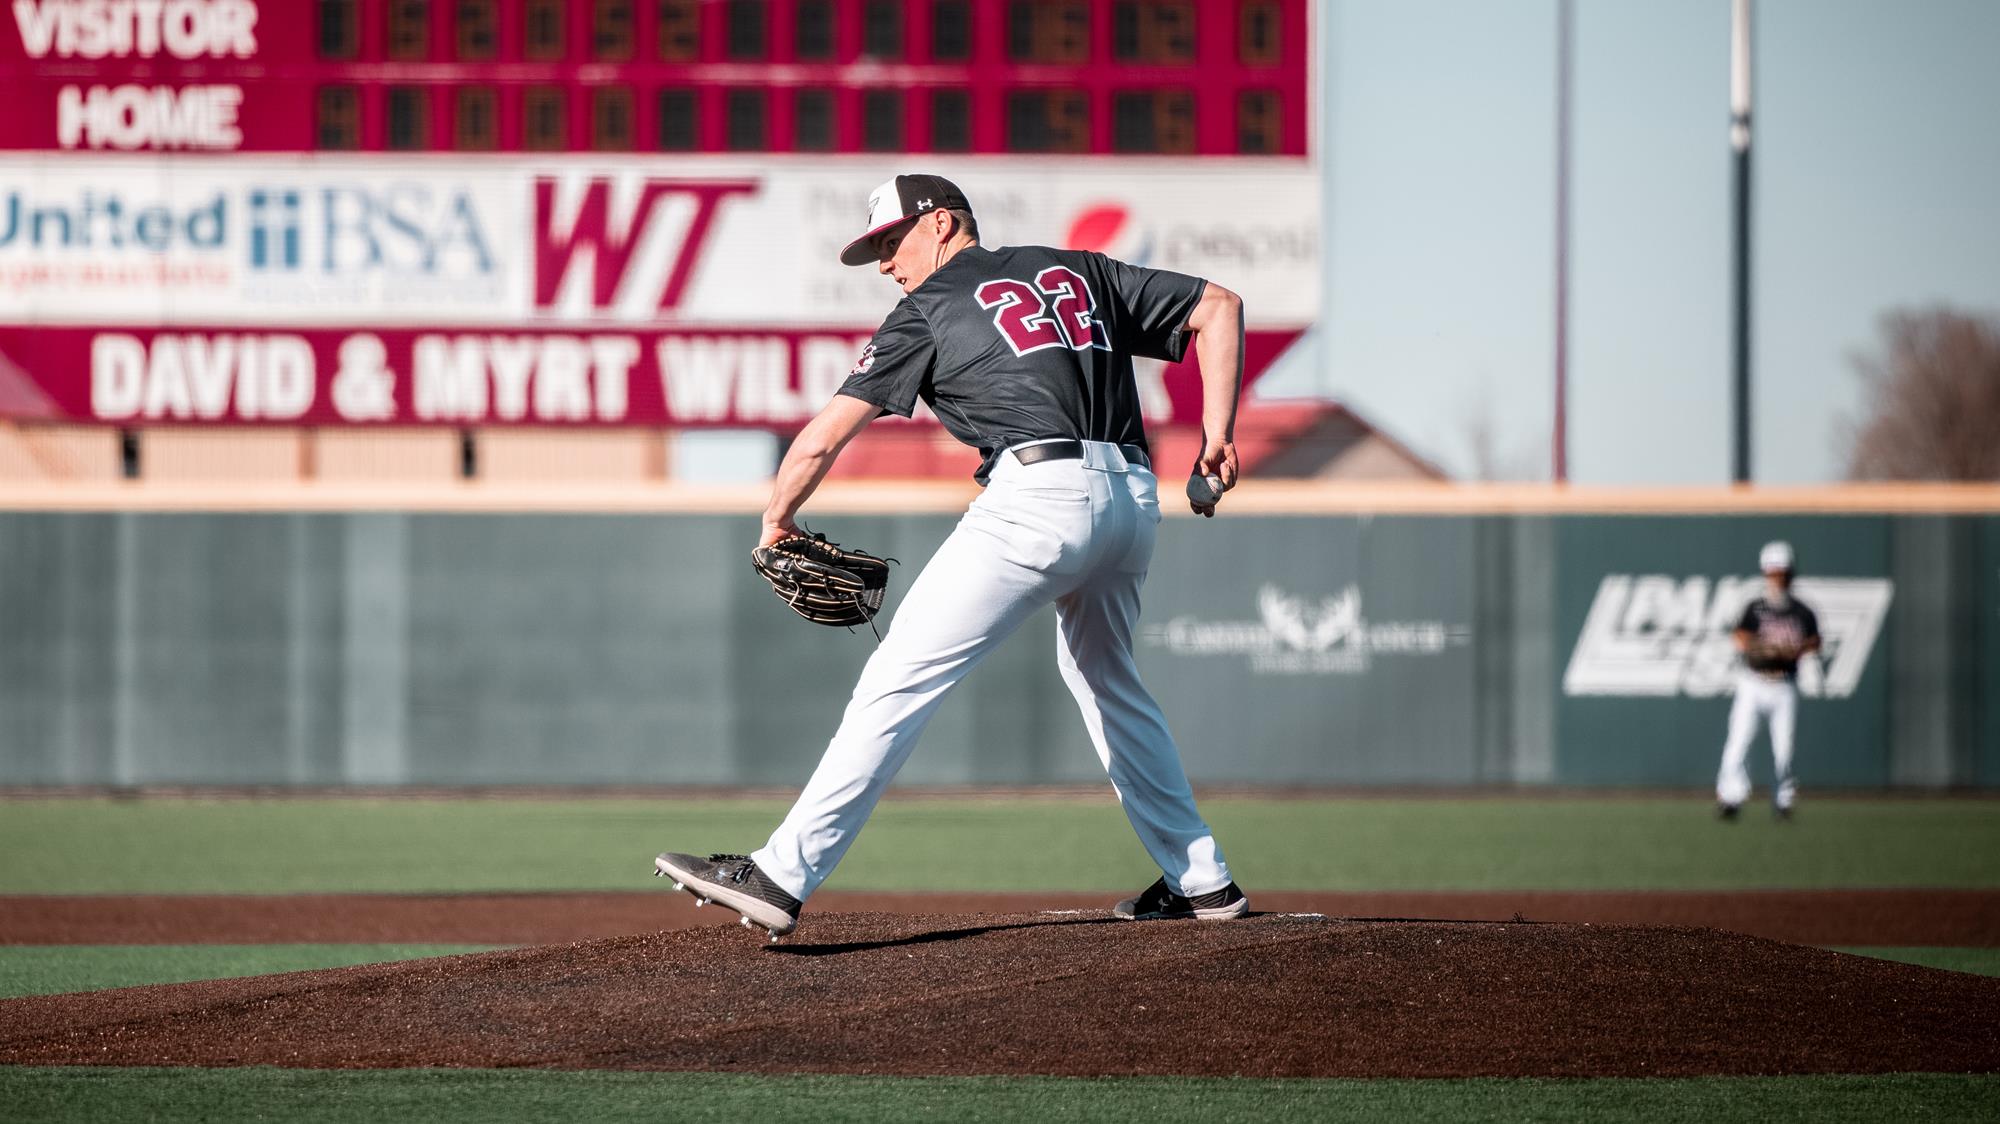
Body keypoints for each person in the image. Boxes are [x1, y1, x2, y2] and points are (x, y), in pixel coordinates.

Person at [655, 173, 1249, 938]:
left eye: (890, 240)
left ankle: (780, 875)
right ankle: (1203, 883)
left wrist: (776, 518)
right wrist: (1217, 436)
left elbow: (824, 435)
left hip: (1037, 500)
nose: (883, 262)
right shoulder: (1081, 270)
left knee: (899, 677)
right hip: (1132, 502)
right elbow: (1220, 307)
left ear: (939, 225)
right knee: (1108, 683)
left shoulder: (926, 309)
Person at [1716, 541, 1821, 822]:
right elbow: (1739, 636)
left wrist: (1794, 649)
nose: (1778, 578)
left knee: (1784, 749)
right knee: (1738, 743)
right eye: (1773, 573)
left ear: (1790, 574)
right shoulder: (1756, 607)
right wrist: (1761, 647)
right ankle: (1730, 798)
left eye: (1782, 573)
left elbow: (1815, 640)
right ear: (1765, 573)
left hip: (1784, 684)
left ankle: (1783, 802)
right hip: (1753, 682)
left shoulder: (1801, 611)